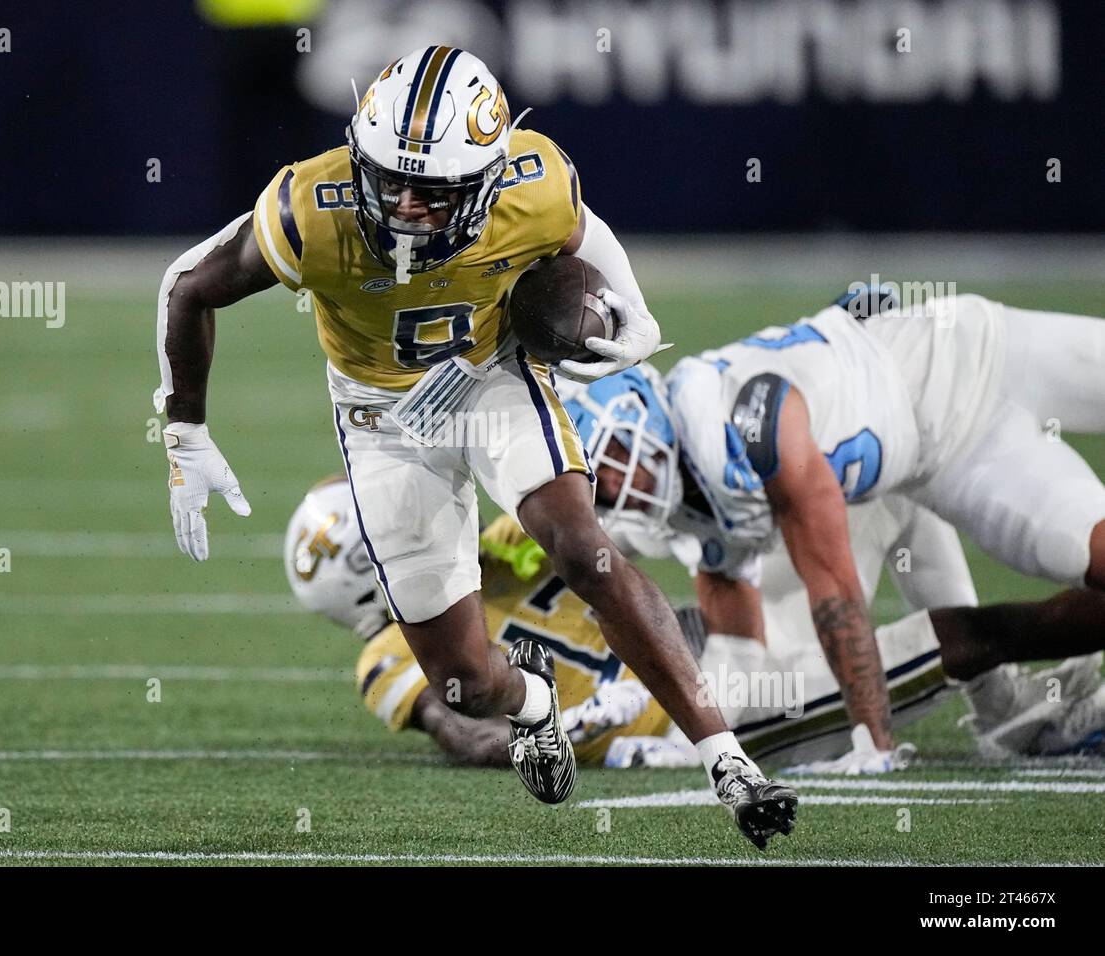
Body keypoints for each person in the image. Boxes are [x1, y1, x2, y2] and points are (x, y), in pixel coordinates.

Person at [152, 46, 795, 846]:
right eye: (390, 179)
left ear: (488, 178)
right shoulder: (310, 209)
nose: (407, 204)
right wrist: (185, 428)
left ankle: (727, 760)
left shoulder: (535, 185)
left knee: (579, 546)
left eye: (434, 189)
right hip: (380, 419)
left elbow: (585, 239)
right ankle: (532, 699)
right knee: (461, 684)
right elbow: (190, 286)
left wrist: (630, 311)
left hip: (487, 375)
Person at [556, 293, 1105, 767]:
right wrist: (691, 743)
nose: (611, 485)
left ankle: (1013, 705)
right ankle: (1026, 703)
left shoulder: (749, 420)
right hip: (953, 459)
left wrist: (873, 739)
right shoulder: (695, 509)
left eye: (610, 456)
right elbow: (740, 651)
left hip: (971, 345)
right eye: (596, 485)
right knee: (1092, 557)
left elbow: (834, 589)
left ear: (639, 414)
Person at [284, 477, 1105, 773]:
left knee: (893, 485)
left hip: (723, 639)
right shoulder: (392, 654)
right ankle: (1027, 693)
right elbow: (463, 737)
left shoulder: (488, 555)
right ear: (374, 572)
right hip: (719, 711)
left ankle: (1011, 718)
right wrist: (561, 730)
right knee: (965, 635)